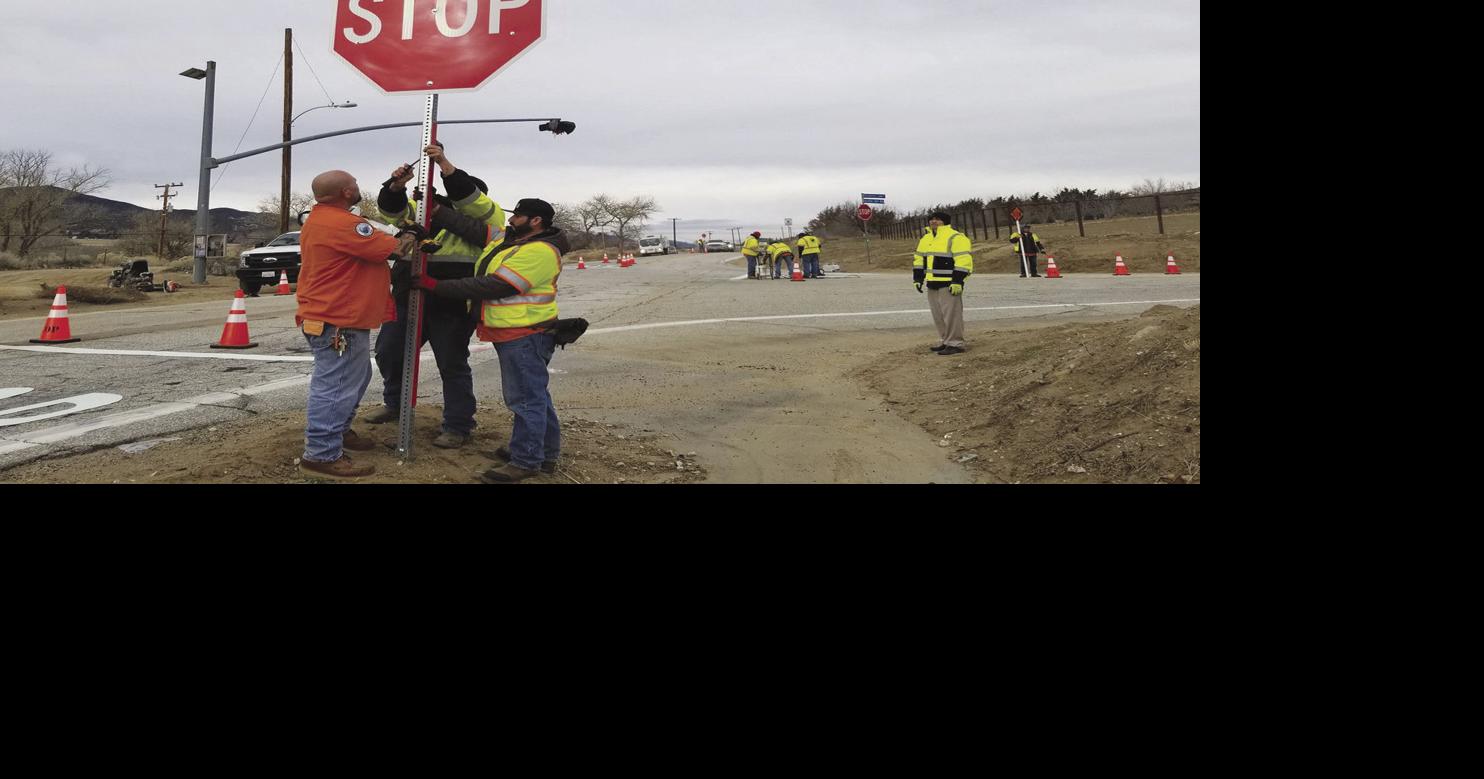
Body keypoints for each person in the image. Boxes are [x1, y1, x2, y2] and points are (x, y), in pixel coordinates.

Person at [409, 198, 569, 484]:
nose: (511, 220)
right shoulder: (511, 241)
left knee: (525, 399)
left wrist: (436, 286)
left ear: (536, 221)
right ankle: (543, 453)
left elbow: (496, 284)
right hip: (514, 332)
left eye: (518, 216)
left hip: (525, 334)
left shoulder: (540, 251)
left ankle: (526, 460)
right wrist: (436, 210)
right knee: (535, 396)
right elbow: (467, 227)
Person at [363, 142, 506, 449]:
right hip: (408, 295)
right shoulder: (424, 212)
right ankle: (394, 403)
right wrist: (395, 187)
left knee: (451, 363)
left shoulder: (489, 216)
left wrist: (443, 164)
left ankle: (458, 425)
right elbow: (393, 212)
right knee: (389, 352)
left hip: (451, 302)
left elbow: (466, 203)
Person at [295, 170, 412, 479]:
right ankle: (321, 455)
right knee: (336, 386)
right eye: (355, 185)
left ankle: (339, 431)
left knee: (355, 377)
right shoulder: (343, 223)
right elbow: (397, 249)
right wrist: (413, 233)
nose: (358, 188)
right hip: (338, 320)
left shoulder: (320, 220)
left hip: (334, 316)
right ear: (346, 192)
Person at [913, 210, 974, 355]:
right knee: (938, 315)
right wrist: (918, 279)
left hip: (949, 283)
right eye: (931, 219)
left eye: (938, 219)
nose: (933, 221)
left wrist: (958, 281)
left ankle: (956, 344)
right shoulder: (926, 238)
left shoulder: (956, 237)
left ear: (945, 221)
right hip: (932, 283)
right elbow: (919, 259)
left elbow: (963, 261)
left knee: (952, 316)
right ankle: (946, 340)